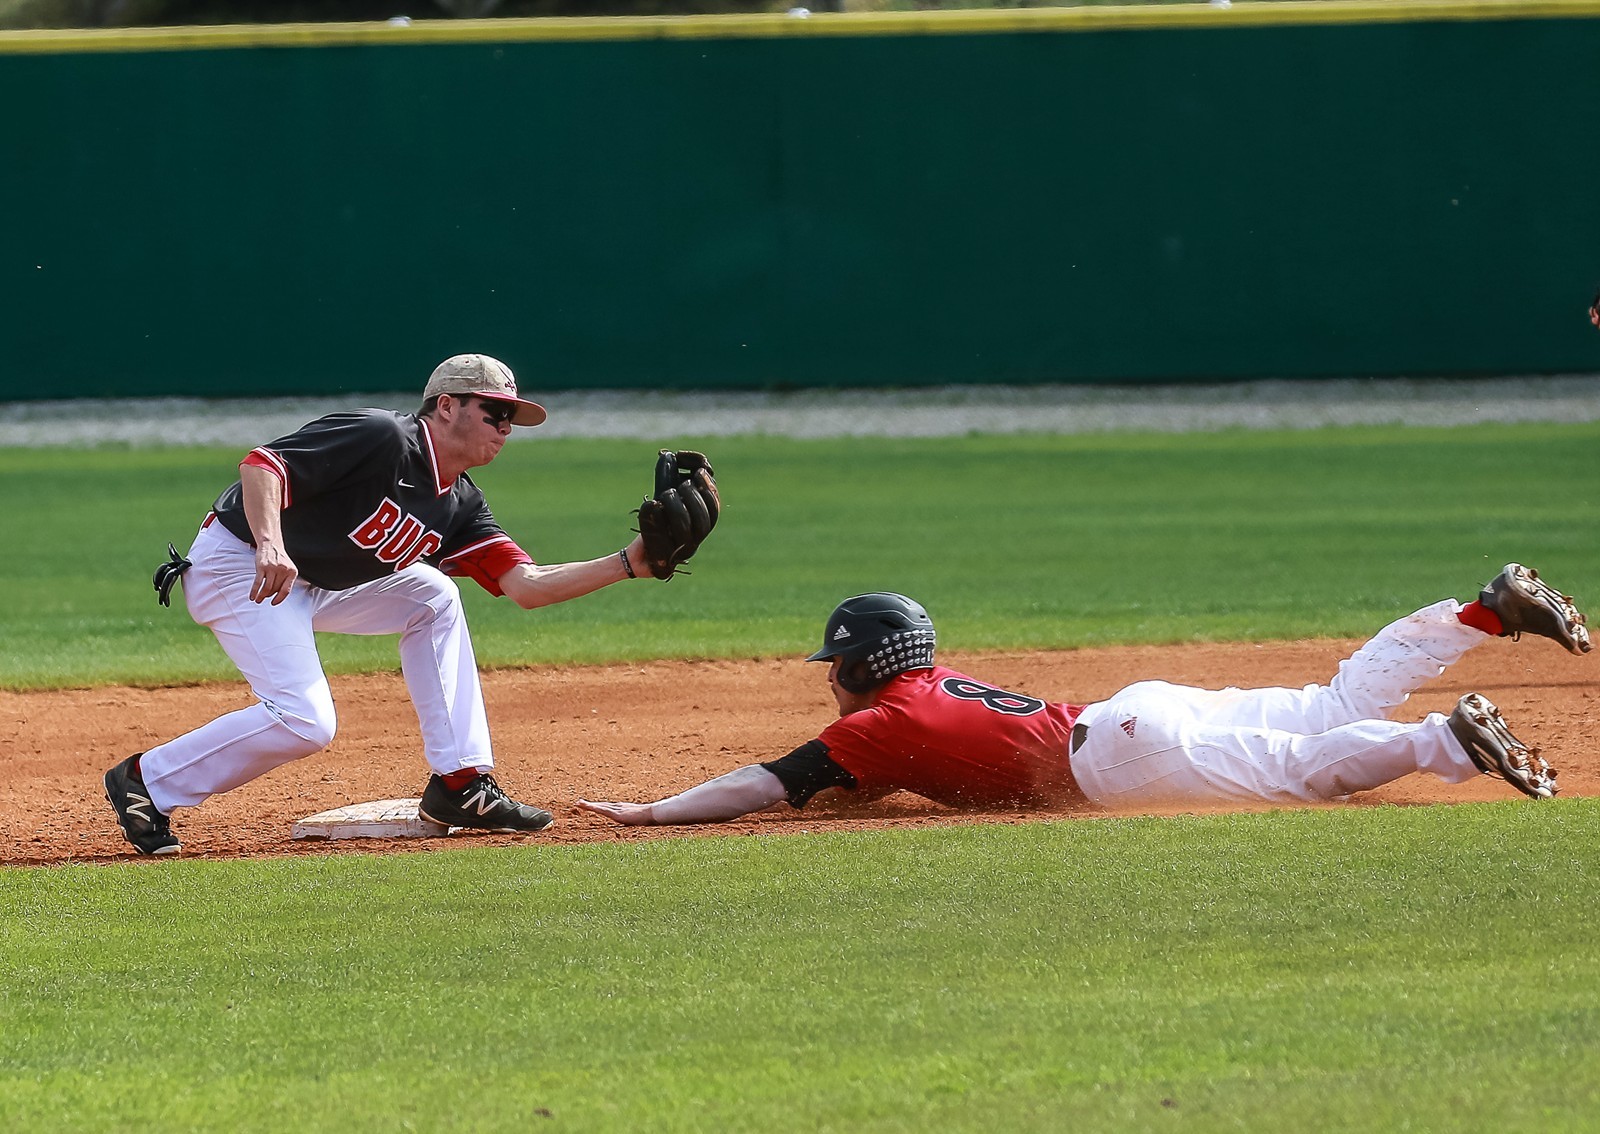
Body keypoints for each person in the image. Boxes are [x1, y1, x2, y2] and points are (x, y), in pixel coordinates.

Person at [105, 353, 715, 856]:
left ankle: (461, 782)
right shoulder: (383, 437)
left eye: (512, 417)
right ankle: (147, 781)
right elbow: (263, 465)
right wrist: (270, 543)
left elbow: (526, 585)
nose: (506, 426)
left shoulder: (461, 503)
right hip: (240, 563)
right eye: (495, 411)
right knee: (305, 720)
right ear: (447, 406)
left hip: (317, 582)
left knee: (434, 595)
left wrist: (630, 562)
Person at [577, 565, 1589, 826]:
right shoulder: (928, 693)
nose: (829, 680)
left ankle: (1439, 741)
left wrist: (652, 809)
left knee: (1299, 774)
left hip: (1125, 757)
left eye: (833, 663)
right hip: (1128, 715)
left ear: (862, 665)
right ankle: (1478, 614)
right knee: (1325, 708)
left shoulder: (881, 725)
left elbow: (763, 784)